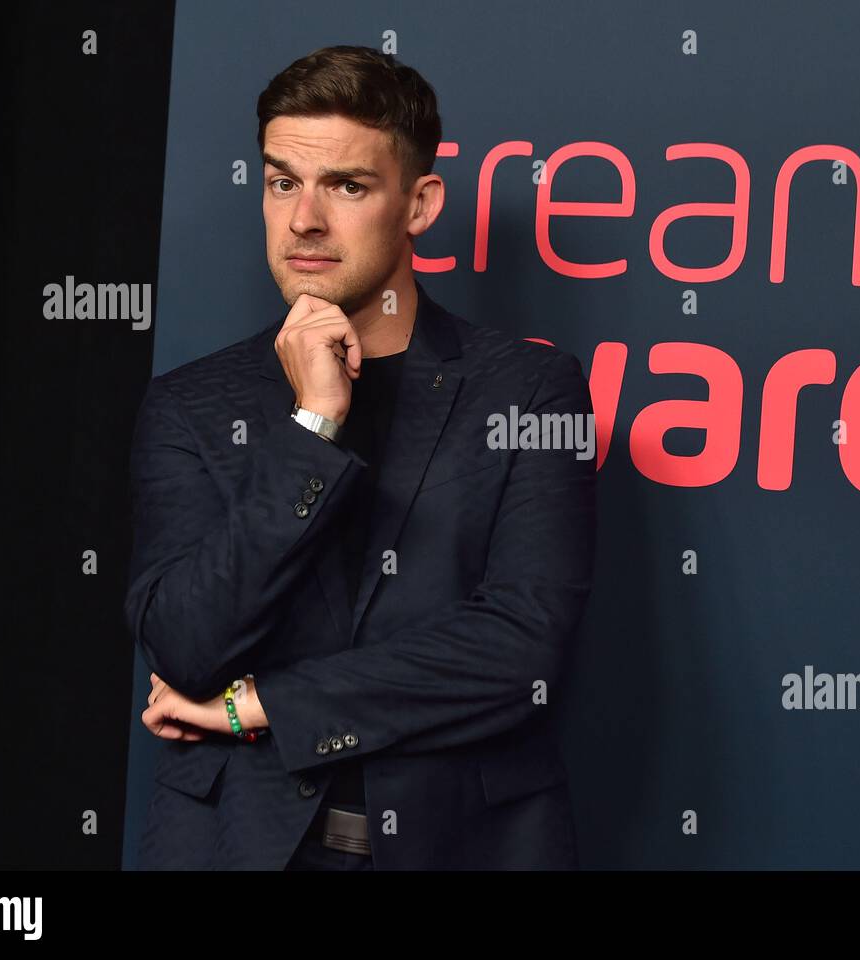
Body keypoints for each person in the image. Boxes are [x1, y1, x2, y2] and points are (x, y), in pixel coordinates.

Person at [125, 45, 596, 870]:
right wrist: (312, 427)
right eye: (282, 183)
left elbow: (520, 654)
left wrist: (259, 704)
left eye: (346, 185)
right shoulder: (188, 403)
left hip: (464, 847)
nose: (305, 218)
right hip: (233, 849)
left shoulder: (532, 391)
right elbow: (185, 642)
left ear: (419, 203)